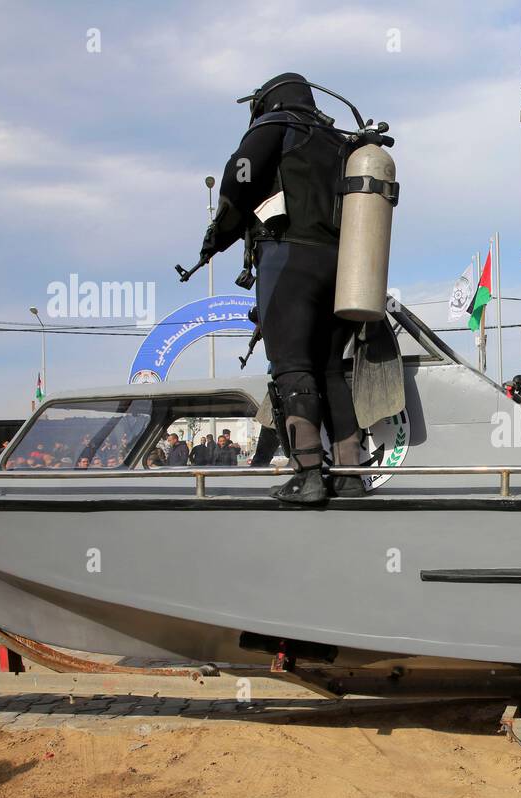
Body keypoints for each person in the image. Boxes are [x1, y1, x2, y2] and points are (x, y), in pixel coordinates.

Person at [199, 72, 361, 504]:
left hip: (289, 259)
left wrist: (218, 235)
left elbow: (239, 178)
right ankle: (349, 472)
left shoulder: (276, 125)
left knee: (291, 366)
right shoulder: (340, 141)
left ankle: (307, 474)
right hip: (343, 265)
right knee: (329, 366)